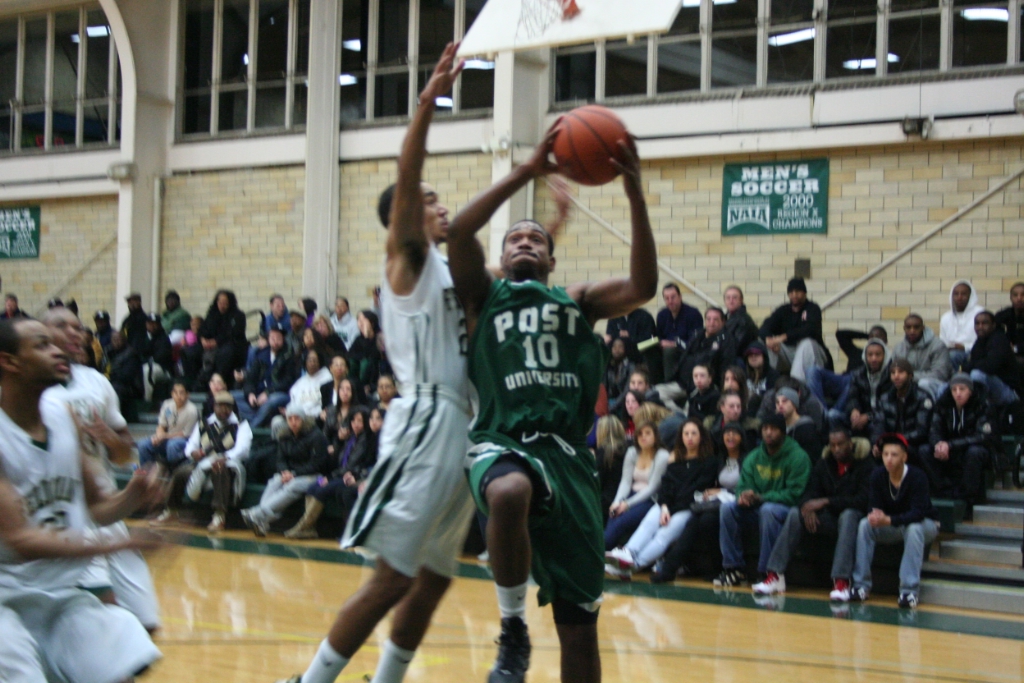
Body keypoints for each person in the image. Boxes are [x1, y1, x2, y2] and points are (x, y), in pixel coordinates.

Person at [276, 44, 480, 683]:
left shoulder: (451, 268)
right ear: (404, 216)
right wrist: (427, 103)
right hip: (423, 421)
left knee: (436, 577)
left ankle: (386, 679)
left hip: (463, 431)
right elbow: (408, 165)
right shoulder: (408, 262)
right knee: (392, 577)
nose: (443, 205)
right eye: (431, 197)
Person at [448, 117, 657, 682]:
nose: (523, 242)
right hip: (503, 440)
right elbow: (459, 233)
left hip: (570, 460)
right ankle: (512, 630)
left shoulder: (578, 300)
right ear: (502, 255)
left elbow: (643, 285)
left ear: (550, 260)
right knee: (510, 489)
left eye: (534, 239)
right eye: (515, 237)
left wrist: (633, 191)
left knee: (580, 629)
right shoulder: (483, 296)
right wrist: (525, 170)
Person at [0, 317, 162, 683]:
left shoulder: (62, 415)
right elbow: (20, 540)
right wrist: (113, 546)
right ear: (9, 362)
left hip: (61, 594)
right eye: (41, 345)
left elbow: (97, 509)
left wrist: (132, 495)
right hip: (5, 598)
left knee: (119, 671)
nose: (57, 349)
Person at [40, 307, 162, 632]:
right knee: (106, 620)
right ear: (41, 335)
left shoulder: (96, 382)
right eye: (62, 325)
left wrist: (109, 438)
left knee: (146, 623)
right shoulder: (28, 391)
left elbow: (124, 454)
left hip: (107, 507)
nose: (74, 332)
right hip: (64, 517)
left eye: (77, 327)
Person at [752, 427, 871, 598]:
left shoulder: (865, 465)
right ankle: (775, 575)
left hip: (852, 520)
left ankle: (841, 582)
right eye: (832, 445)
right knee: (795, 513)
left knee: (849, 514)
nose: (836, 449)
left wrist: (825, 501)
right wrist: (807, 508)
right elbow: (808, 492)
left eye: (840, 444)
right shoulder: (824, 464)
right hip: (827, 517)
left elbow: (863, 500)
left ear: (851, 445)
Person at [605, 418, 718, 578]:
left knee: (663, 535)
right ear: (681, 437)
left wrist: (670, 511)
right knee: (648, 524)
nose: (690, 437)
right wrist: (665, 507)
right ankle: (628, 553)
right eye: (686, 433)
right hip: (667, 505)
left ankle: (633, 567)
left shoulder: (709, 462)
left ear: (701, 437)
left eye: (694, 433)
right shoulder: (674, 459)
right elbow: (666, 486)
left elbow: (694, 491)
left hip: (687, 509)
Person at [714, 413, 811, 588]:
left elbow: (795, 494)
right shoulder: (754, 457)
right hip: (757, 506)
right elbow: (743, 485)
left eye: (773, 429)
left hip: (786, 509)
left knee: (768, 509)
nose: (768, 433)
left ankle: (766, 571)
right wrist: (743, 496)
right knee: (727, 509)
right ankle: (734, 569)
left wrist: (762, 497)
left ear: (782, 432)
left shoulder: (798, 457)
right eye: (765, 429)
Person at [650, 421, 747, 583]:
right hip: (714, 502)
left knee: (706, 521)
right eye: (727, 434)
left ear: (742, 438)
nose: (730, 437)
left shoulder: (748, 459)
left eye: (734, 434)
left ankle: (715, 567)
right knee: (698, 520)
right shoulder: (720, 458)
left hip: (737, 502)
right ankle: (669, 569)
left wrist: (723, 491)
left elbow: (748, 487)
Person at [851, 433, 939, 608]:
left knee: (913, 528)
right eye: (885, 454)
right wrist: (875, 516)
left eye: (894, 455)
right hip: (893, 525)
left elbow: (918, 513)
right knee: (864, 525)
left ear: (904, 457)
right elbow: (873, 507)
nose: (889, 459)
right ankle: (861, 586)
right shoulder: (877, 475)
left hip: (925, 525)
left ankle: (909, 591)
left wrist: (889, 520)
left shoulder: (917, 476)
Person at [287, 406, 378, 539]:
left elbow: (353, 466)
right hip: (340, 474)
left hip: (350, 477)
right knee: (313, 487)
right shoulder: (350, 437)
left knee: (322, 489)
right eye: (353, 421)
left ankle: (303, 526)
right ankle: (309, 529)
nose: (356, 424)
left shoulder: (367, 440)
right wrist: (339, 441)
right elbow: (338, 461)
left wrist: (330, 477)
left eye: (360, 421)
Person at [170, 391, 254, 532]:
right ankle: (171, 511)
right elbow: (191, 445)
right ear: (214, 406)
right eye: (220, 406)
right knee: (180, 473)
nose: (223, 410)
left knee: (219, 470)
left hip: (228, 463)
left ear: (232, 408)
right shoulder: (203, 423)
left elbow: (243, 450)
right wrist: (193, 453)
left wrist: (225, 457)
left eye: (227, 406)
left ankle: (219, 516)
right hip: (202, 463)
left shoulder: (241, 425)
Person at [241, 406, 331, 536]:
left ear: (304, 420)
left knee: (293, 485)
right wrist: (284, 472)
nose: (293, 422)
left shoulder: (316, 436)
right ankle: (262, 522)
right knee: (274, 481)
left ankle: (257, 513)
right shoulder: (284, 435)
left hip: (316, 476)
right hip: (291, 474)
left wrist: (293, 474)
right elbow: (280, 459)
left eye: (297, 418)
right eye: (290, 419)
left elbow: (318, 465)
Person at [922, 373, 995, 508]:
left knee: (975, 452)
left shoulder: (983, 405)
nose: (958, 393)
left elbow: (982, 436)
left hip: (975, 449)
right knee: (925, 450)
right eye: (954, 389)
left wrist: (950, 445)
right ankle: (943, 493)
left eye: (962, 389)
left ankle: (968, 500)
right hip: (950, 450)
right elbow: (934, 430)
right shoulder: (943, 404)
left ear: (970, 391)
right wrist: (939, 444)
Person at [605, 421, 671, 550]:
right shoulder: (632, 452)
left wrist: (627, 504)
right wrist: (617, 501)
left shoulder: (662, 455)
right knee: (613, 515)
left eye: (648, 433)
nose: (643, 437)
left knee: (620, 523)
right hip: (630, 495)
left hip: (650, 499)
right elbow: (625, 481)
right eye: (640, 434)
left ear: (656, 436)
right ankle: (606, 551)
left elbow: (653, 487)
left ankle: (598, 549)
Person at [805, 327, 888, 423]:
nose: (875, 341)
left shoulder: (885, 361)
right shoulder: (856, 351)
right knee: (812, 371)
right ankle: (821, 412)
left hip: (854, 384)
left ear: (885, 342)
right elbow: (841, 334)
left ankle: (832, 414)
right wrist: (867, 336)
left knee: (854, 377)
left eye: (878, 338)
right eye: (872, 338)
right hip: (842, 380)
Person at [759, 277, 829, 381]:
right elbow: (764, 327)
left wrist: (784, 337)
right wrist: (769, 340)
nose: (794, 295)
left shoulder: (813, 308)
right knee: (763, 342)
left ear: (804, 293)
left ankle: (797, 386)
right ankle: (767, 383)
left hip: (814, 353)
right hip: (789, 353)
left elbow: (810, 329)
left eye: (797, 291)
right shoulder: (783, 310)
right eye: (791, 292)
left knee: (807, 343)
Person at [236, 323, 300, 428]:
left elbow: (287, 382)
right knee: (232, 397)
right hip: (258, 393)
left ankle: (252, 428)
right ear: (268, 339)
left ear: (283, 339)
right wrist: (250, 394)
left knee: (271, 401)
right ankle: (256, 417)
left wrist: (267, 393)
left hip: (280, 394)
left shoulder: (289, 356)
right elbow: (251, 378)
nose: (275, 341)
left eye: (278, 338)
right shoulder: (261, 355)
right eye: (272, 337)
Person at [870, 358, 934, 460]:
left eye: (901, 372)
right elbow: (878, 425)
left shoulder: (922, 397)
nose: (896, 376)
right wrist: (877, 443)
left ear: (910, 375)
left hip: (911, 444)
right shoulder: (884, 398)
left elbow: (921, 431)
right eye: (893, 373)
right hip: (889, 443)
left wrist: (896, 441)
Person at [137, 380, 200, 470]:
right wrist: (158, 436)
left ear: (187, 394)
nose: (178, 396)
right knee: (143, 444)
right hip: (167, 438)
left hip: (185, 440)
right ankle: (147, 472)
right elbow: (162, 425)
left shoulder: (192, 411)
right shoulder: (167, 405)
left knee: (172, 445)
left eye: (181, 393)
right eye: (175, 392)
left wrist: (165, 436)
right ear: (172, 394)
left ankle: (172, 472)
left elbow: (186, 434)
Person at [964, 310, 1020, 407]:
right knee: (947, 386)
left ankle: (977, 408)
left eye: (984, 323)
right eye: (977, 323)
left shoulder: (999, 340)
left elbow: (990, 366)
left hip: (1010, 393)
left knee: (977, 374)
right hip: (993, 391)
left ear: (993, 325)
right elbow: (974, 362)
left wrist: (968, 366)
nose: (980, 327)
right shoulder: (980, 341)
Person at [892, 313, 952, 400]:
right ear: (904, 329)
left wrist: (909, 377)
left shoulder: (938, 345)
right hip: (908, 383)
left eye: (916, 327)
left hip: (937, 386)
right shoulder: (898, 348)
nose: (912, 331)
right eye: (908, 327)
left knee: (923, 384)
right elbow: (894, 372)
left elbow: (940, 375)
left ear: (923, 328)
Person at [198, 289, 248, 389]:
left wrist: (215, 342)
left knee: (225, 352)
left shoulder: (238, 315)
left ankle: (218, 381)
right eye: (220, 302)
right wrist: (203, 339)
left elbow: (234, 333)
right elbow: (203, 329)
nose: (222, 305)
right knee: (189, 352)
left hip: (232, 345)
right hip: (210, 345)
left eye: (225, 303)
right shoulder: (212, 314)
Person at [845, 338, 893, 438]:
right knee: (834, 417)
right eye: (870, 355)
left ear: (885, 356)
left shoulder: (892, 376)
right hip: (862, 414)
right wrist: (854, 410)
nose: (873, 359)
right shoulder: (858, 374)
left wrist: (868, 416)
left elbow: (889, 406)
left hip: (882, 418)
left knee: (877, 425)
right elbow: (852, 396)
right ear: (865, 356)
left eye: (878, 354)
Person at [675, 307, 729, 392]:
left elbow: (724, 366)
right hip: (683, 383)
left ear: (723, 322)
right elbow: (685, 356)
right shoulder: (697, 334)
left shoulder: (726, 340)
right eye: (708, 319)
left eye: (715, 320)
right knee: (657, 392)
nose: (711, 323)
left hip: (706, 387)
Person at [657, 283, 703, 382]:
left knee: (669, 351)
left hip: (686, 351)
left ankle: (669, 384)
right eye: (667, 298)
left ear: (680, 297)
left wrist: (674, 344)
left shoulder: (693, 314)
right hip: (665, 350)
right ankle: (653, 386)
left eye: (673, 297)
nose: (670, 301)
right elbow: (659, 337)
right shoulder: (662, 315)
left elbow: (695, 341)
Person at [940, 279, 984, 371]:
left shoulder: (980, 313)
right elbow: (942, 341)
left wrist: (964, 347)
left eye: (963, 294)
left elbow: (986, 341)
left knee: (953, 356)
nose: (959, 297)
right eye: (956, 294)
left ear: (971, 296)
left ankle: (956, 383)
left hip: (974, 352)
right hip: (950, 352)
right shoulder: (946, 317)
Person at [776, 386, 823, 461]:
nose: (780, 405)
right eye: (777, 402)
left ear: (794, 404)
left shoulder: (807, 428)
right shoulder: (777, 428)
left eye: (784, 401)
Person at [595, 416, 628, 523]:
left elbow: (598, 482)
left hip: (605, 503)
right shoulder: (628, 447)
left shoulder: (604, 451)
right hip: (624, 498)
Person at [722, 286, 759, 368]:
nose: (731, 301)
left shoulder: (743, 321)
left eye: (734, 297)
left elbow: (736, 347)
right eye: (728, 298)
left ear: (741, 300)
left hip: (739, 361)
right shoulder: (726, 318)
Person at [743, 342, 779, 415]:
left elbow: (771, 400)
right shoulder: (743, 374)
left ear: (764, 356)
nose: (753, 357)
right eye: (750, 355)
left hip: (764, 412)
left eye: (756, 354)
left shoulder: (773, 375)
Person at [995, 282, 1024, 369]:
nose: (1019, 298)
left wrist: (1015, 348)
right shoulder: (1002, 316)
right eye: (1015, 295)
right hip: (1005, 354)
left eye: (1023, 295)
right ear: (1011, 298)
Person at [604, 338, 634, 413]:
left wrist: (612, 406)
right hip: (609, 402)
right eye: (614, 346)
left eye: (620, 347)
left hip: (624, 402)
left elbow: (627, 390)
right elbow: (604, 387)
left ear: (625, 349)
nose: (617, 349)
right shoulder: (607, 365)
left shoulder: (630, 366)